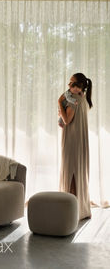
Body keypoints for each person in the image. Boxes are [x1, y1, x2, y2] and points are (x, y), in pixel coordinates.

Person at [58, 73, 93, 220]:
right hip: (80, 141)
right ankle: (81, 209)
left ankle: (71, 212)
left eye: (72, 84)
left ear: (79, 87)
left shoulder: (73, 101)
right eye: (69, 83)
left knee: (71, 172)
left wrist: (60, 102)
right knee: (78, 172)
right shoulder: (84, 100)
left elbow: (66, 121)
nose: (68, 86)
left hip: (72, 142)